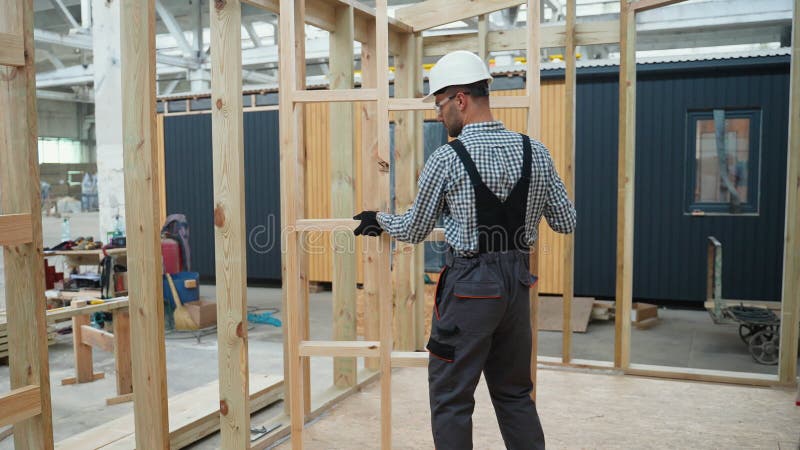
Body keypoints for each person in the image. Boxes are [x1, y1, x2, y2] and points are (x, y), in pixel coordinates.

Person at [353, 50, 576, 450]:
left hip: (471, 288)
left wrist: (378, 219)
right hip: (516, 287)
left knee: (452, 398)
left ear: (460, 99)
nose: (439, 116)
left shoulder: (447, 159)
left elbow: (415, 228)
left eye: (439, 105)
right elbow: (566, 222)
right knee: (514, 395)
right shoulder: (536, 152)